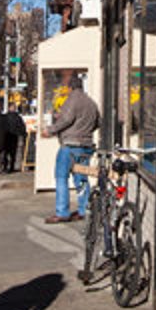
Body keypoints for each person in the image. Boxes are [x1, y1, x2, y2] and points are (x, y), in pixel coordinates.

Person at [44, 73, 100, 224]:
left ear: (70, 87)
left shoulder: (72, 100)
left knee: (61, 177)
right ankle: (84, 210)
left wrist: (51, 129)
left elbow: (67, 119)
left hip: (70, 145)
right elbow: (97, 122)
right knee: (81, 178)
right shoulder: (91, 103)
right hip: (86, 145)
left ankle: (62, 212)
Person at [4, 105, 27, 173]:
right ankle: (12, 167)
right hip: (15, 137)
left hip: (6, 136)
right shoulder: (18, 117)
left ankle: (5, 166)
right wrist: (23, 134)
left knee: (6, 152)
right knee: (13, 153)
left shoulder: (5, 117)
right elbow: (22, 127)